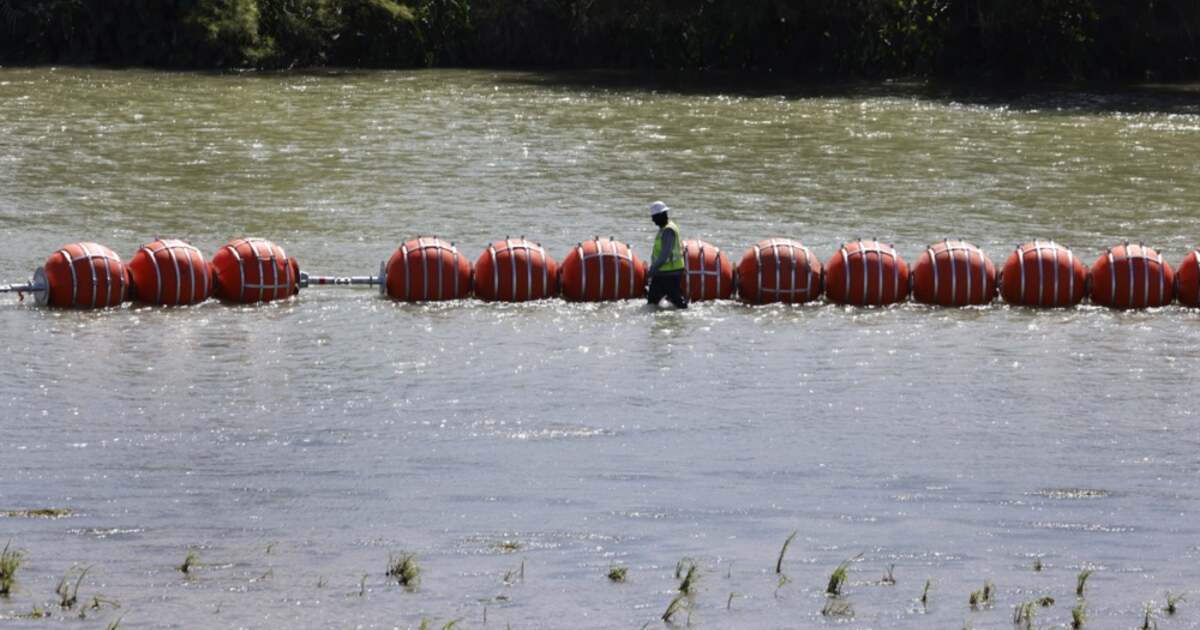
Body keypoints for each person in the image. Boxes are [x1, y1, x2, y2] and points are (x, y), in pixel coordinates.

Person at [646, 201, 688, 309]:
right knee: (652, 302)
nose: (653, 220)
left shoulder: (668, 231)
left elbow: (664, 255)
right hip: (663, 273)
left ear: (661, 215)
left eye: (654, 217)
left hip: (670, 273)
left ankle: (687, 314)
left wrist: (652, 270)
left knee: (677, 302)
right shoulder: (664, 229)